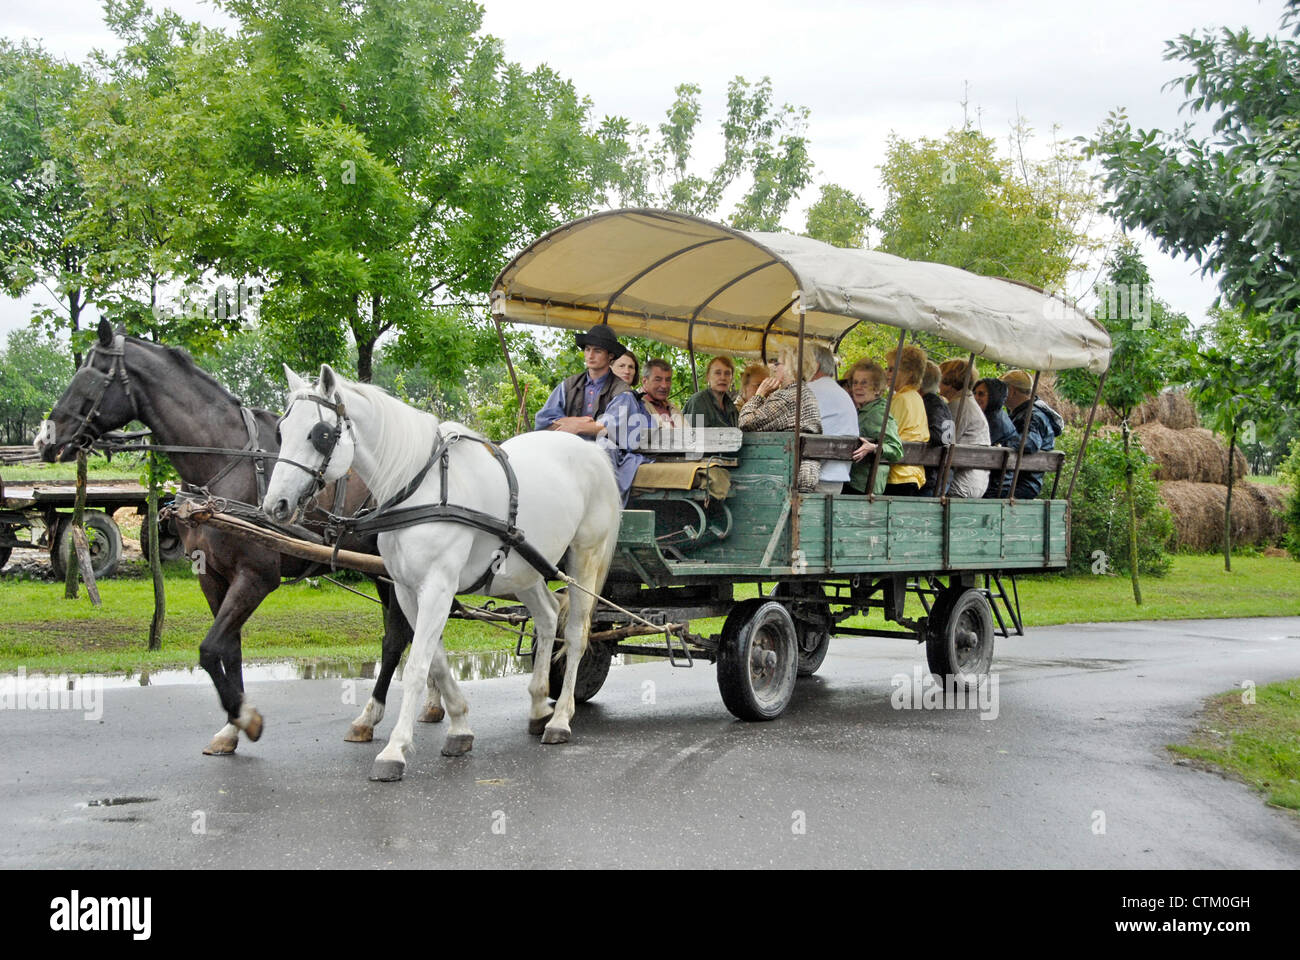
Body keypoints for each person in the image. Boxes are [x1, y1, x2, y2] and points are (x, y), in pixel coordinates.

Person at [534, 322, 648, 499]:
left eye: (597, 351)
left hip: (601, 452)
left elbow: (610, 428)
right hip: (568, 447)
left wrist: (577, 427)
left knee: (604, 447)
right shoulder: (568, 385)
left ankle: (600, 503)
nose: (590, 355)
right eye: (587, 349)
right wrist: (577, 423)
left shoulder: (622, 392)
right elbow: (544, 420)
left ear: (610, 356)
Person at [739, 343, 822, 492]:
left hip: (785, 476)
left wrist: (759, 394)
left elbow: (745, 422)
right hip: (807, 473)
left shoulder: (787, 397)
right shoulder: (808, 394)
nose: (774, 368)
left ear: (791, 367)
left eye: (778, 363)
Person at [993, 369, 1063, 499]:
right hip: (1013, 480)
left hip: (1021, 484)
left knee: (983, 492)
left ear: (1012, 391)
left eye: (1002, 389)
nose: (999, 394)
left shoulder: (1033, 415)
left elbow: (1030, 443)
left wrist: (1001, 442)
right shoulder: (1021, 413)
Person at [844, 359, 903, 495]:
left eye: (864, 383)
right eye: (855, 382)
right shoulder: (863, 410)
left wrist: (874, 448)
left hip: (865, 486)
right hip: (856, 481)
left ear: (877, 389)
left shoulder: (878, 412)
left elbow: (896, 449)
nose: (858, 387)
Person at [806, 344, 859, 493]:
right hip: (837, 478)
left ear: (814, 366)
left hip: (814, 480)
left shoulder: (810, 390)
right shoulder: (841, 393)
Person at [937, 359, 990, 498]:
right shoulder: (968, 403)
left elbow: (945, 442)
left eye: (940, 378)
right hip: (976, 480)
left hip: (962, 482)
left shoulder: (958, 407)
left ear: (950, 381)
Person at [882, 343, 929, 496]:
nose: (887, 373)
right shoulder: (916, 397)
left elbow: (887, 434)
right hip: (913, 473)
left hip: (897, 475)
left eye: (891, 369)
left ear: (909, 373)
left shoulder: (900, 399)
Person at [918, 360, 953, 497]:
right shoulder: (940, 403)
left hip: (933, 478)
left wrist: (915, 435)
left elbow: (942, 437)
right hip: (940, 476)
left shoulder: (932, 404)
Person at [683, 356, 739, 429]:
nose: (723, 377)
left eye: (727, 373)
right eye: (718, 373)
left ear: (731, 379)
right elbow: (696, 437)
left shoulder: (731, 408)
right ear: (708, 377)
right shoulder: (698, 402)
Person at [640, 358, 683, 427]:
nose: (664, 385)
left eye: (668, 380)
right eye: (658, 380)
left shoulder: (672, 408)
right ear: (645, 381)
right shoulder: (636, 405)